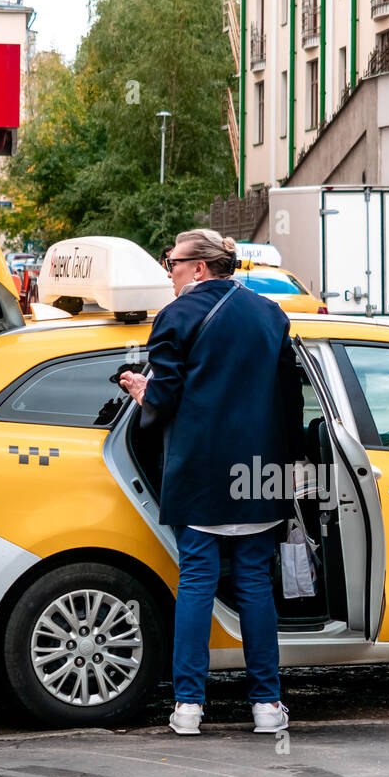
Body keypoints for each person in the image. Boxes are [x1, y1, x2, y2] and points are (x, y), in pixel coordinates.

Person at [119, 229, 303, 737]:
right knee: (255, 586)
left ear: (199, 267)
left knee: (197, 583)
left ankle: (188, 708)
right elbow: (290, 398)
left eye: (173, 263)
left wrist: (142, 393)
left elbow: (168, 397)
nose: (169, 271)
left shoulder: (175, 317)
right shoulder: (270, 314)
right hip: (259, 473)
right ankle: (267, 706)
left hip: (201, 473)